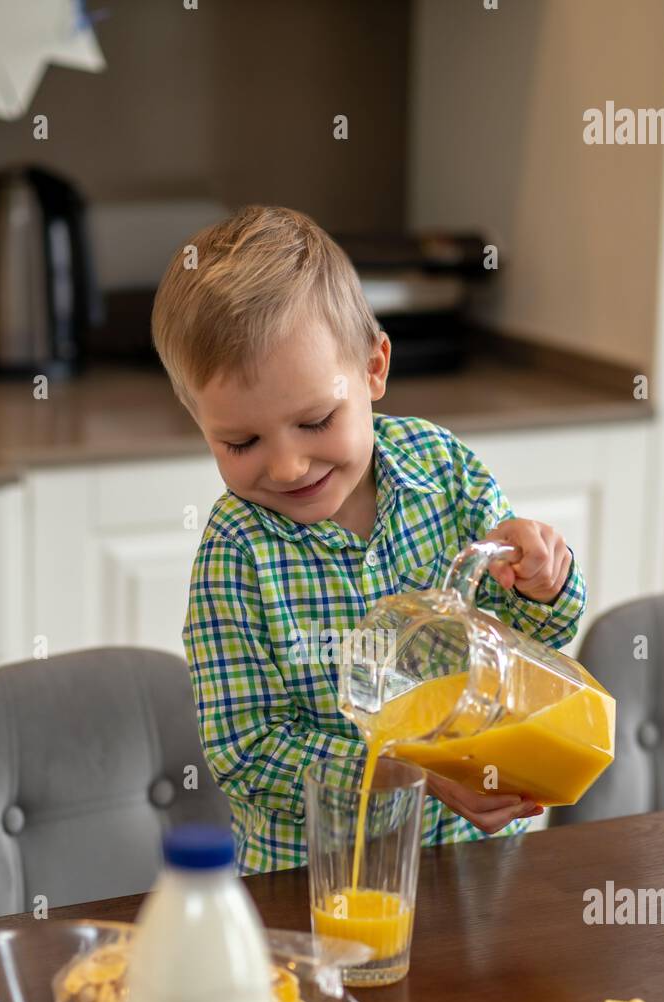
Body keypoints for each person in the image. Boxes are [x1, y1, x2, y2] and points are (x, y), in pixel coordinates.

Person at [151, 205, 586, 874]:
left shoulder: (445, 471)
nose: (288, 466)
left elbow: (531, 637)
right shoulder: (236, 549)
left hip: (472, 870)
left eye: (317, 420)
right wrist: (407, 767)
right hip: (308, 892)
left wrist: (546, 579)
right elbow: (247, 751)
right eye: (241, 442)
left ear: (374, 369)